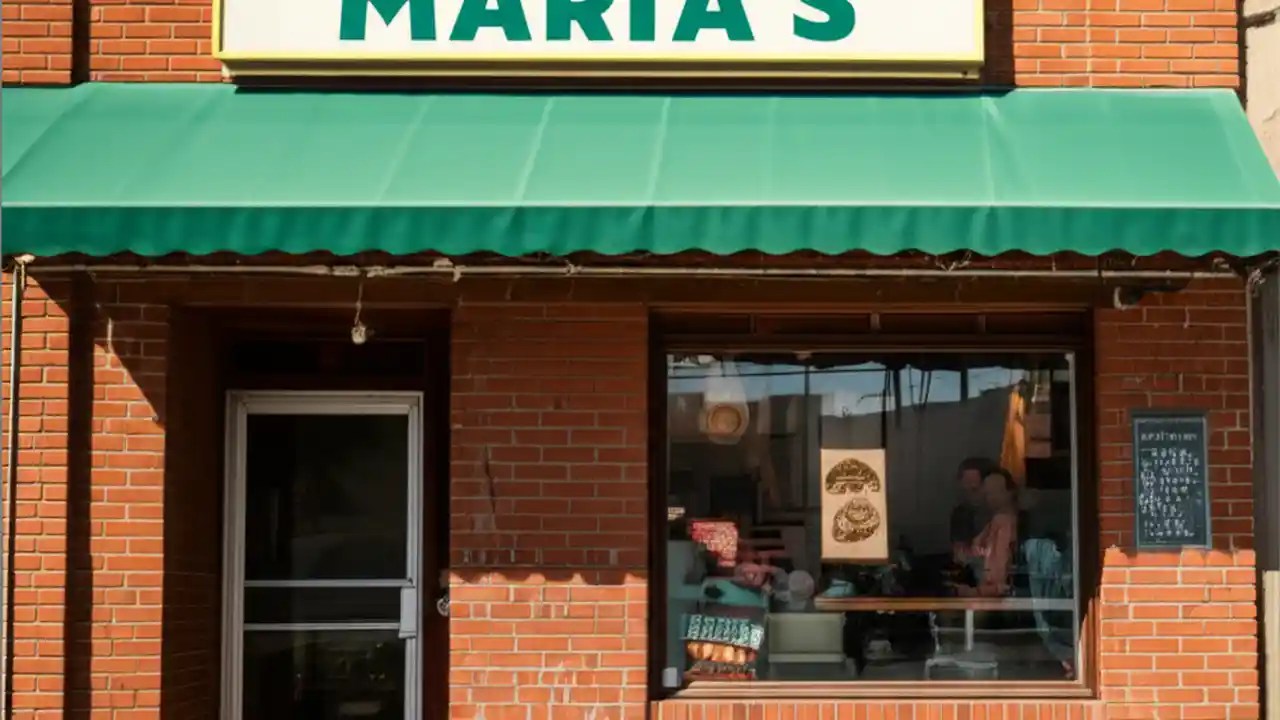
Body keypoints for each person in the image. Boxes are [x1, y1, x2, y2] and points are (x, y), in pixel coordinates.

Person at [954, 468, 1020, 598]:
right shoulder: (993, 523)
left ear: (1010, 492)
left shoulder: (1005, 524)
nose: (990, 497)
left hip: (995, 600)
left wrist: (975, 592)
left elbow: (999, 579)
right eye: (988, 492)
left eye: (996, 491)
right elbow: (970, 553)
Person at [949, 457, 994, 564]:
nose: (969, 495)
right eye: (965, 489)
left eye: (975, 489)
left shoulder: (1009, 513)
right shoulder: (962, 513)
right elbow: (960, 556)